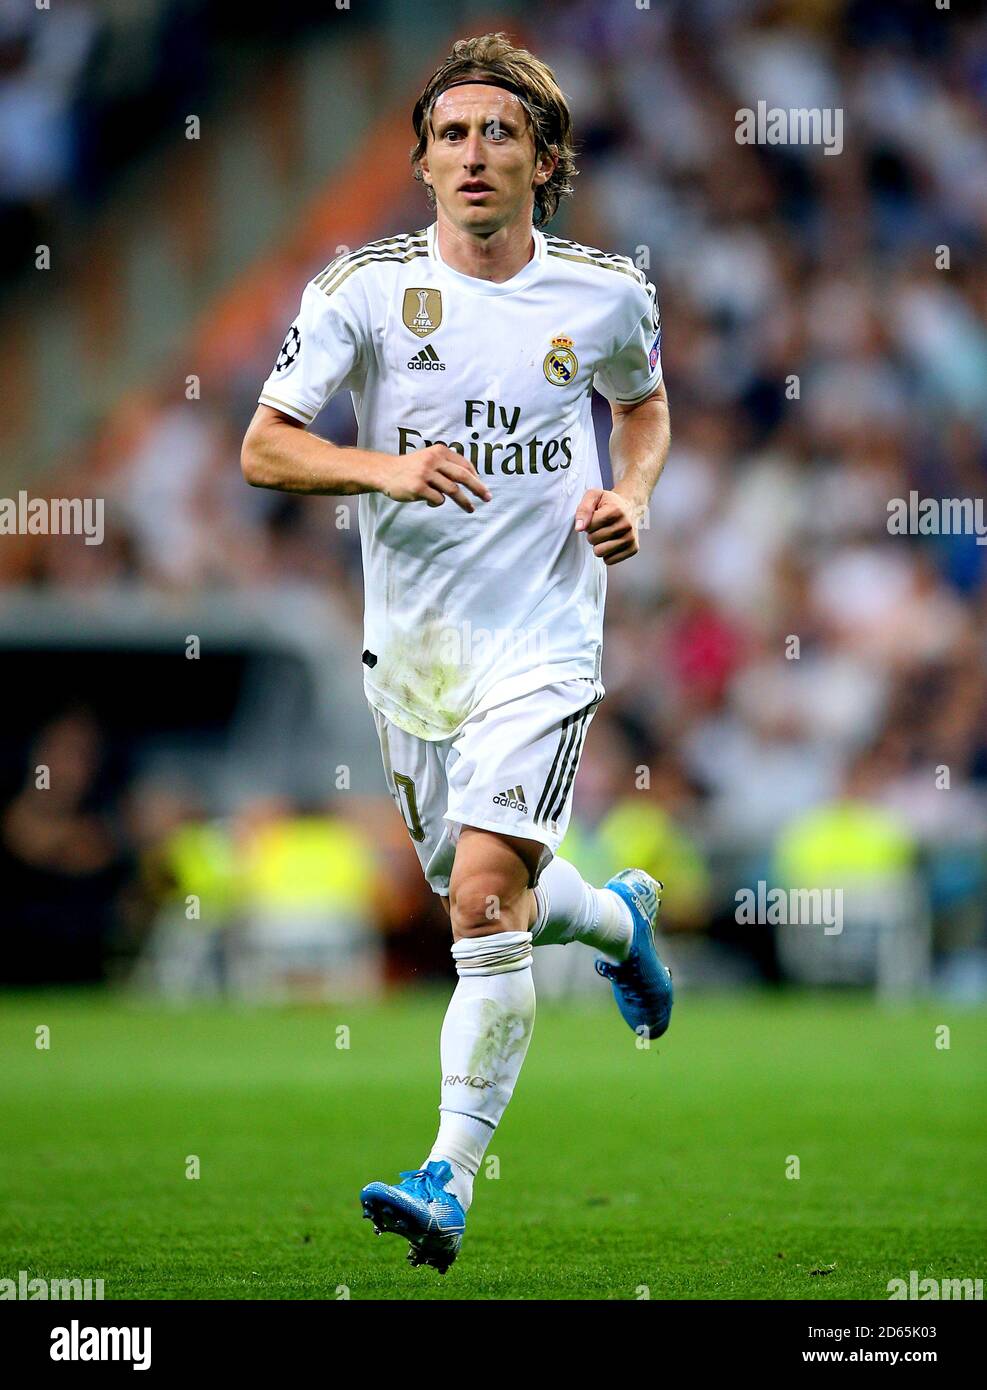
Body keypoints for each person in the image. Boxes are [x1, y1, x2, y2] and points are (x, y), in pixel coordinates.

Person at [240, 32, 673, 1274]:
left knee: (483, 900)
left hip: (544, 634)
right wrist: (386, 467)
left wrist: (631, 495)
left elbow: (643, 411)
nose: (473, 154)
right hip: (414, 656)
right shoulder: (362, 290)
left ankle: (448, 1174)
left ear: (545, 160)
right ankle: (619, 921)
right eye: (450, 135)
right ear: (422, 162)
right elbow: (267, 448)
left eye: (499, 134)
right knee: (494, 898)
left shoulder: (605, 294)